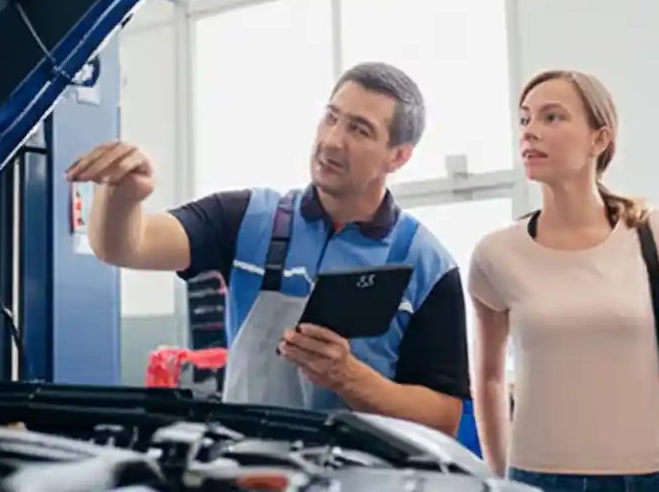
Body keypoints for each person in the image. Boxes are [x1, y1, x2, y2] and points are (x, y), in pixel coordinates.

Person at [65, 62, 469, 436]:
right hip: (247, 468)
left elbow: (443, 419)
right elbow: (126, 247)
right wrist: (122, 197)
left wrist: (349, 378)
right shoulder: (247, 218)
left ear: (398, 157)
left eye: (359, 130)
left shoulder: (427, 265)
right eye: (331, 117)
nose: (332, 140)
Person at [468, 69, 659, 492]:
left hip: (647, 479)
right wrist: (501, 478)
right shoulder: (496, 254)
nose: (531, 132)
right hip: (536, 479)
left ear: (599, 139)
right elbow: (489, 378)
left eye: (552, 118)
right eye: (525, 119)